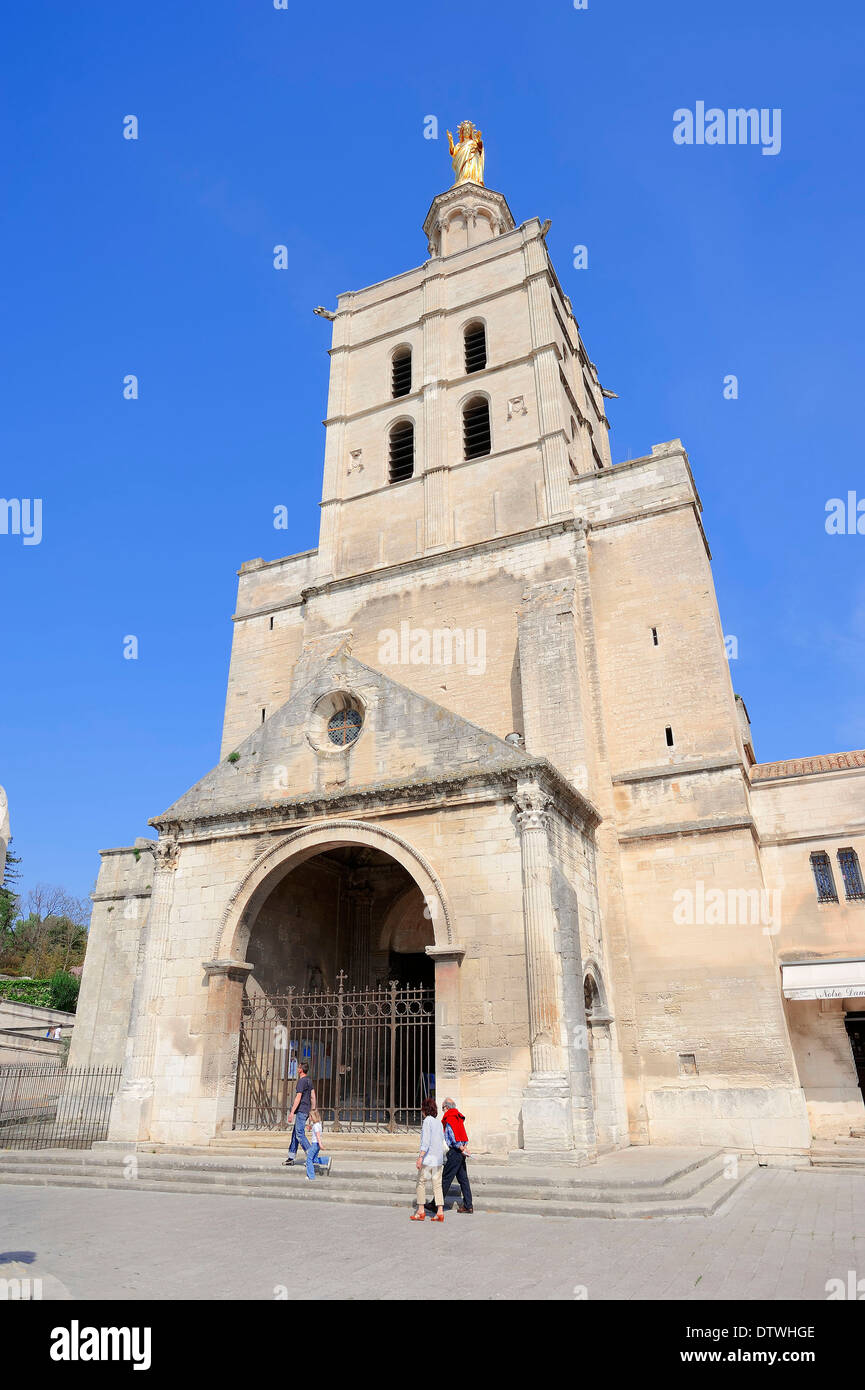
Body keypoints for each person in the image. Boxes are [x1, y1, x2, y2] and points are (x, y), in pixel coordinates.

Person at [427, 1097, 473, 1214]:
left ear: (446, 1107)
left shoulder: (450, 1118)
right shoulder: (458, 1117)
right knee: (463, 1180)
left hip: (454, 1152)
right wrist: (464, 1147)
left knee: (446, 1179)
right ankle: (468, 1205)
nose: (443, 1111)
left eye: (443, 1108)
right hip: (461, 1153)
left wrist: (459, 1146)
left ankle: (435, 1204)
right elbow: (462, 1133)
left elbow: (452, 1135)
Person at [411, 1096, 445, 1221]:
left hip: (429, 1159)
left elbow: (425, 1141)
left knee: (421, 1183)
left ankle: (420, 1210)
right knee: (437, 1185)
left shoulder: (427, 1122)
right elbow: (441, 1140)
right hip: (438, 1159)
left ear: (425, 1109)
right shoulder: (439, 1122)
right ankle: (440, 1211)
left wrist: (420, 1157)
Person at [283, 1062, 315, 1166]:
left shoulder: (301, 1081)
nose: (297, 1069)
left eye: (298, 1067)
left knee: (300, 1133)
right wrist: (312, 1111)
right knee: (295, 1134)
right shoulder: (309, 1081)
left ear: (301, 1070)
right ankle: (291, 1157)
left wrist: (292, 1112)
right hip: (306, 1110)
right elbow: (313, 1096)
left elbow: (298, 1097)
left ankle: (312, 1155)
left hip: (301, 1110)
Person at [305, 1107, 332, 1181]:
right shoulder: (318, 1124)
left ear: (313, 1117)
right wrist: (310, 1128)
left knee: (309, 1159)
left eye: (310, 1116)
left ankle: (311, 1176)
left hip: (315, 1144)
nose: (309, 1118)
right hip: (317, 1145)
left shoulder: (316, 1126)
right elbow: (316, 1130)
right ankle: (326, 1160)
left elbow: (317, 1135)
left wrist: (320, 1144)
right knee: (314, 1159)